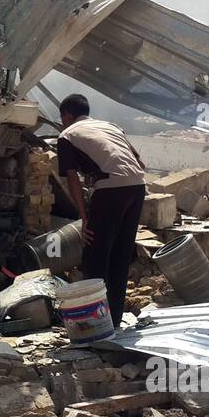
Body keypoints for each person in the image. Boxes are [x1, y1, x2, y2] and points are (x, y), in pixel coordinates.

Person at [56, 94, 146, 325]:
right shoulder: (110, 126)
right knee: (120, 254)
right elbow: (139, 162)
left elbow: (72, 178)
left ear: (67, 115)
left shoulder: (67, 135)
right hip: (137, 186)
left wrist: (84, 217)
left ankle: (95, 324)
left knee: (96, 253)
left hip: (110, 189)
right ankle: (113, 320)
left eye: (62, 117)